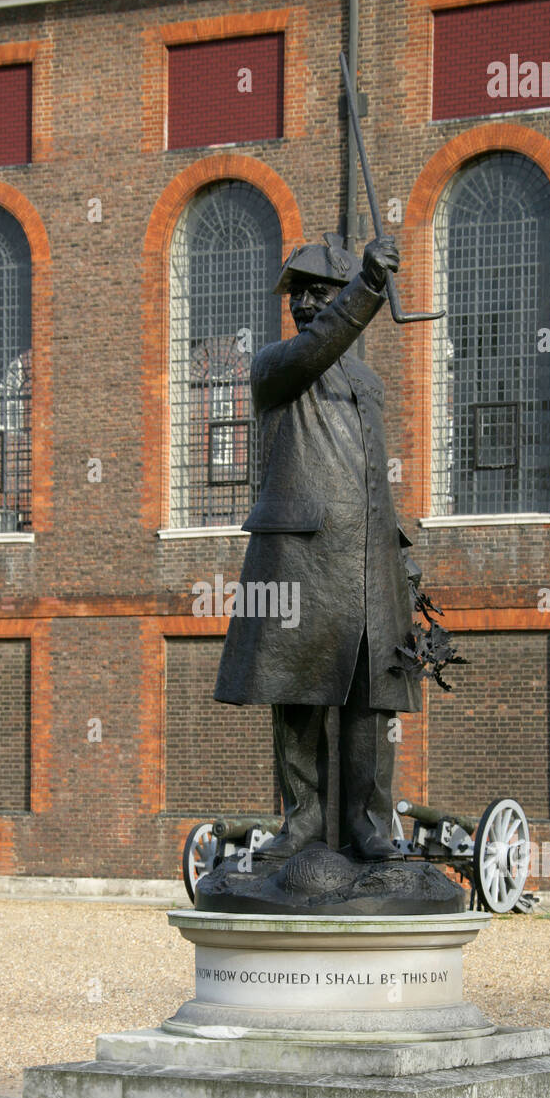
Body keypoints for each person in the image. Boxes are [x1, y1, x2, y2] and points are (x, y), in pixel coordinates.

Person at [214, 231, 422, 863]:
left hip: (367, 562)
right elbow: (318, 345)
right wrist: (367, 288)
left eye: (318, 291)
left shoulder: (367, 382)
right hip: (300, 560)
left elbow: (373, 474)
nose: (304, 302)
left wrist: (400, 552)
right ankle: (302, 823)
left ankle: (369, 824)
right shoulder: (276, 365)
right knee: (297, 692)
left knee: (371, 697)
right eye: (298, 293)